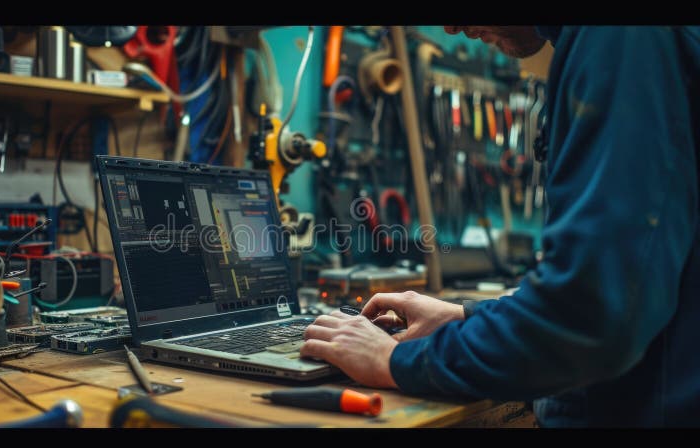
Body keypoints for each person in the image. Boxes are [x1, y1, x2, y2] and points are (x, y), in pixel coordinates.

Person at [300, 26, 700, 427]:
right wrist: (465, 318)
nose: (451, 28)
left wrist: (392, 360)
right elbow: (623, 287)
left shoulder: (624, 38)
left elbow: (589, 316)